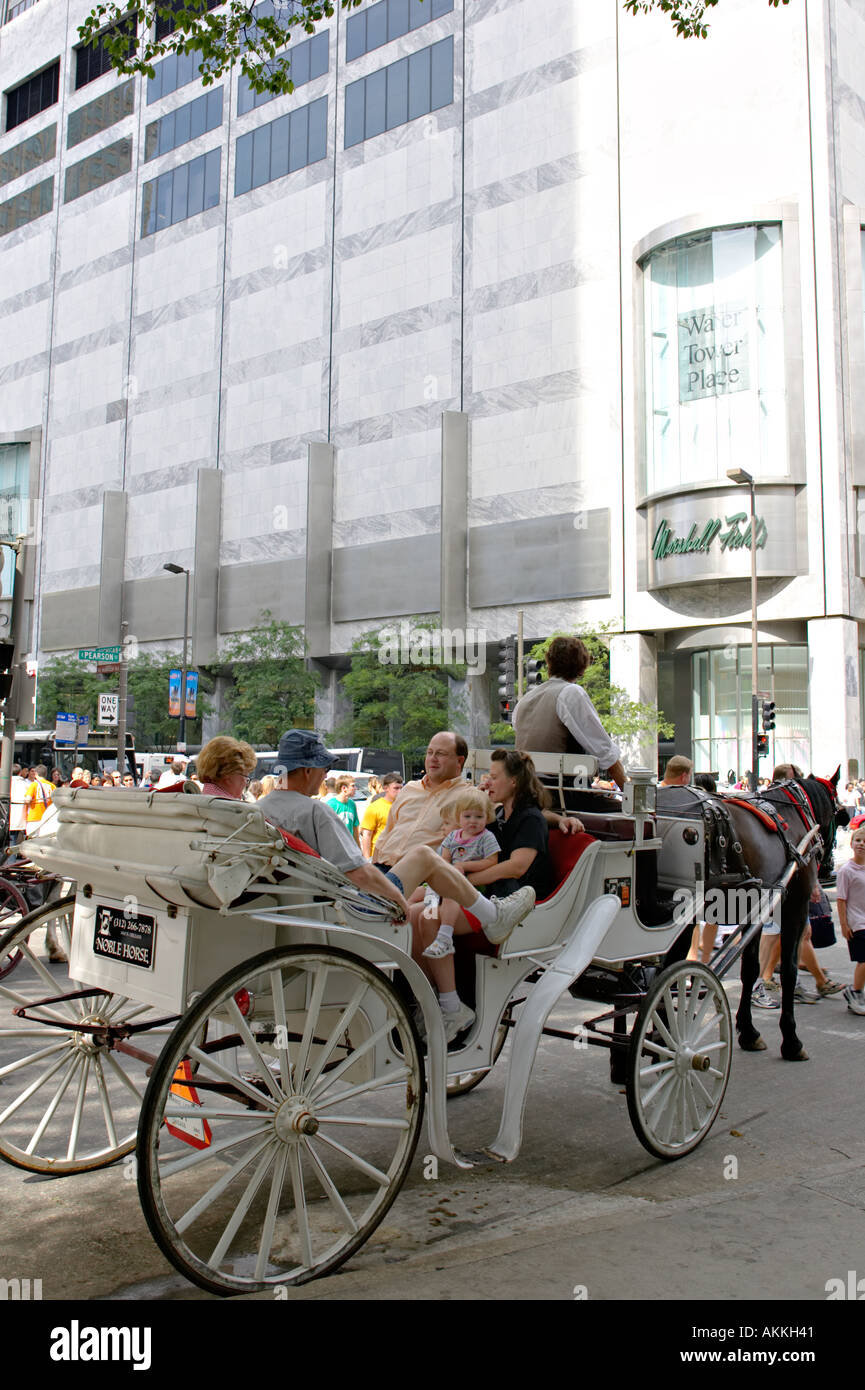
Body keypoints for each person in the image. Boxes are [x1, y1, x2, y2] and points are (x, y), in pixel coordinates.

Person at [257, 731, 537, 1042]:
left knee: (425, 881)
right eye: (322, 768)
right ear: (307, 770)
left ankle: (442, 998)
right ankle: (491, 917)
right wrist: (395, 898)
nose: (326, 775)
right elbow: (360, 873)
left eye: (439, 753)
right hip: (352, 903)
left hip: (312, 903)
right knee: (424, 858)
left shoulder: (262, 808)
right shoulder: (314, 810)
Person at [414, 749, 554, 1030]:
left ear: (513, 782)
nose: (487, 782)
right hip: (479, 889)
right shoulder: (498, 814)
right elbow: (463, 829)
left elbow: (516, 867)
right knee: (412, 914)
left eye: (493, 776)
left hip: (506, 895)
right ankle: (429, 999)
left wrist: (461, 877)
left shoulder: (529, 818)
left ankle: (452, 1006)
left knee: (429, 918)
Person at [513, 635, 625, 790]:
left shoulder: (525, 699)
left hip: (524, 791)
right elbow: (605, 752)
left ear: (549, 663)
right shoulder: (571, 693)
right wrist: (632, 796)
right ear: (582, 667)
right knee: (619, 808)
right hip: (560, 794)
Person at [422, 785, 501, 959]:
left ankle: (444, 935)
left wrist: (464, 866)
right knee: (420, 891)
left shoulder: (486, 837)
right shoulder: (453, 836)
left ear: (487, 817)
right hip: (452, 877)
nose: (473, 821)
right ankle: (405, 917)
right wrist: (444, 871)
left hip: (472, 887)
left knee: (451, 892)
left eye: (479, 817)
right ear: (459, 817)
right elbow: (444, 859)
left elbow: (491, 861)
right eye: (467, 816)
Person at [836, 827, 865, 1014]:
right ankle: (855, 992)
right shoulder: (846, 871)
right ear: (852, 843)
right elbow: (841, 900)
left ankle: (856, 989)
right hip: (857, 922)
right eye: (858, 840)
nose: (861, 844)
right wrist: (844, 924)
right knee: (864, 959)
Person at [360, 771, 403, 860]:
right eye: (396, 788)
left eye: (401, 788)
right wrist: (367, 859)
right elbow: (367, 835)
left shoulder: (403, 806)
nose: (399, 791)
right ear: (385, 788)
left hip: (397, 857)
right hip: (378, 857)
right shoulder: (375, 807)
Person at [326, 774, 360, 843]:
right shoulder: (331, 804)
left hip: (349, 845)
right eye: (353, 786)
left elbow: (355, 828)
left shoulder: (352, 804)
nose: (355, 788)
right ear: (344, 788)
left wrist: (358, 849)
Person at [25, 764, 54, 833]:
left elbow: (27, 800)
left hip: (34, 818)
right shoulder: (52, 786)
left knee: (32, 840)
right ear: (46, 774)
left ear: (36, 773)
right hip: (47, 818)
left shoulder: (34, 785)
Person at [8, 763, 29, 845]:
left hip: (7, 815)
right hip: (20, 816)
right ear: (20, 772)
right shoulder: (25, 785)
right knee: (13, 839)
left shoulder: (6, 783)